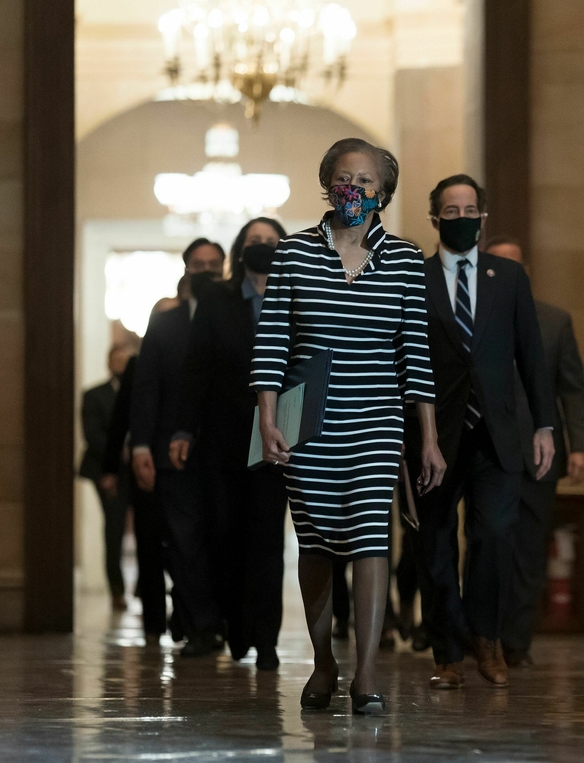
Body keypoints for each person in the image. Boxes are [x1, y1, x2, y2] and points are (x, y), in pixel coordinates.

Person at [252, 138, 446, 714]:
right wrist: (267, 422)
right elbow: (270, 345)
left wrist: (428, 438)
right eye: (344, 178)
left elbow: (416, 355)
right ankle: (323, 663)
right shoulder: (293, 254)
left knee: (369, 540)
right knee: (313, 542)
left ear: (382, 192)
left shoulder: (407, 259)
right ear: (326, 185)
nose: (353, 189)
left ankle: (365, 673)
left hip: (376, 422)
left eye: (365, 181)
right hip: (307, 420)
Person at [405, 174, 555, 691]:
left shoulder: (508, 277)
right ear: (435, 219)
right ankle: (446, 652)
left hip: (497, 432)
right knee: (436, 545)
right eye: (452, 210)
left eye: (471, 210)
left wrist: (545, 426)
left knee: (493, 537)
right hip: (433, 436)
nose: (462, 218)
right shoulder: (413, 278)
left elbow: (531, 356)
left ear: (483, 218)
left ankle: (487, 639)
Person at [170, 218, 289, 670]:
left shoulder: (292, 295)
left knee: (266, 541)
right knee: (225, 536)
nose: (261, 247)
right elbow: (196, 366)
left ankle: (267, 640)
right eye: (254, 241)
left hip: (276, 440)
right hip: (223, 438)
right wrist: (184, 429)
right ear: (241, 249)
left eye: (270, 241)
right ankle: (235, 630)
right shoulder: (217, 299)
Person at [483, 237, 584, 667]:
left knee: (529, 552)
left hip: (540, 456)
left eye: (514, 265)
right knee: (488, 546)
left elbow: (573, 388)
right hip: (486, 453)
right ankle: (482, 634)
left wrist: (581, 447)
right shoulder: (468, 319)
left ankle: (516, 643)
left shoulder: (554, 321)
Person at [130, 237, 227, 658]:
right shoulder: (165, 325)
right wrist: (140, 448)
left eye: (213, 264)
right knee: (184, 542)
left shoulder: (239, 318)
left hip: (225, 451)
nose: (204, 271)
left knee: (221, 540)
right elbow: (146, 389)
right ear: (186, 268)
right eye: (197, 263)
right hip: (172, 453)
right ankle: (200, 624)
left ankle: (211, 618)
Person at [101, 350, 176, 643]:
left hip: (184, 466)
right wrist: (109, 468)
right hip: (146, 467)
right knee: (148, 543)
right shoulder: (139, 363)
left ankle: (186, 614)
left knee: (185, 543)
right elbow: (122, 417)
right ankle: (154, 621)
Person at [80, 345, 135, 612]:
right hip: (106, 470)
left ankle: (146, 584)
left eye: (127, 360)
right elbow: (93, 435)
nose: (122, 365)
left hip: (137, 468)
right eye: (118, 360)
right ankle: (116, 589)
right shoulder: (94, 395)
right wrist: (117, 458)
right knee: (113, 529)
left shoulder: (141, 392)